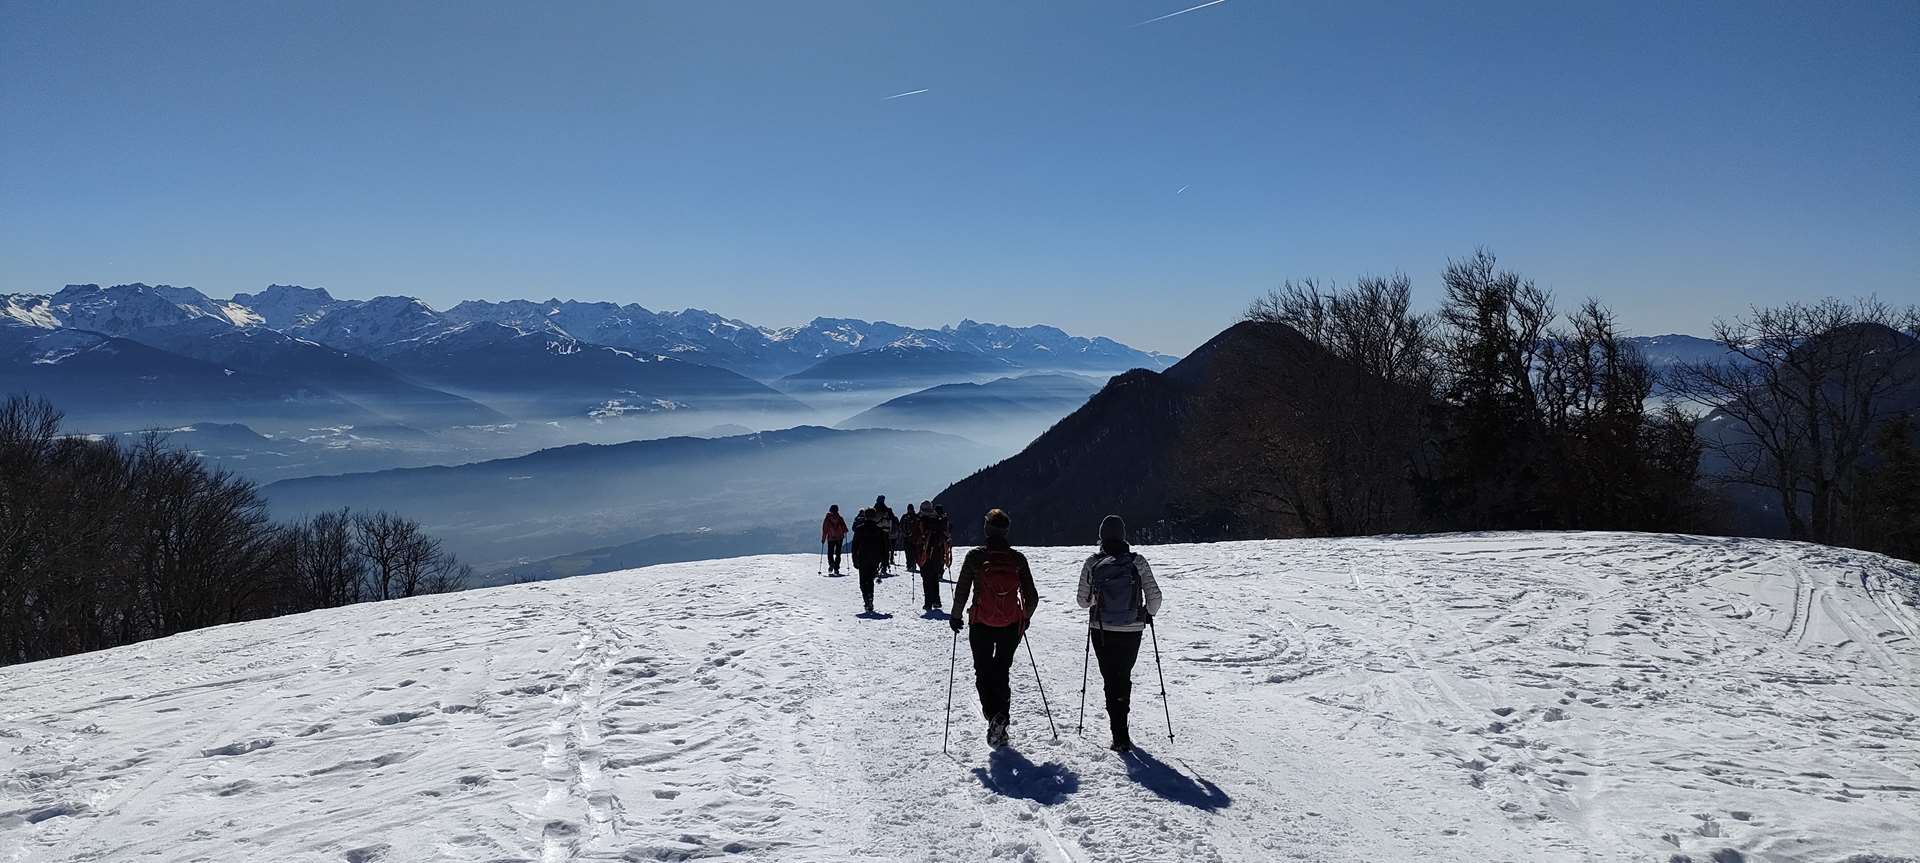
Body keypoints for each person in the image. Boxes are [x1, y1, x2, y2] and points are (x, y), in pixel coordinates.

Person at [948, 508, 1040, 747]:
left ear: (986, 529)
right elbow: (1032, 597)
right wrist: (1025, 618)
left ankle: (993, 716)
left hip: (981, 623)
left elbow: (962, 591)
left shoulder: (975, 557)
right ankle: (1002, 718)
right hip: (1010, 625)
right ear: (1006, 531)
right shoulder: (1018, 559)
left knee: (983, 670)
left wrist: (956, 616)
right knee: (1002, 671)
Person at [1076, 515, 1163, 752]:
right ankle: (1122, 729)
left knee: (1110, 678)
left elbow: (1082, 602)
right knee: (1123, 675)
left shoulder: (1093, 562)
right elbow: (1155, 597)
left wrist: (1097, 599)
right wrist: (1147, 614)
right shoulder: (1138, 562)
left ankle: (1118, 734)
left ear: (1102, 535)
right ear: (1123, 535)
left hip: (1102, 627)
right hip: (1131, 628)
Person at [850, 508, 888, 614]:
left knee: (863, 581)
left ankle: (867, 601)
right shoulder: (879, 530)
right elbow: (884, 546)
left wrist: (854, 559)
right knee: (870, 580)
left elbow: (855, 546)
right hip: (875, 559)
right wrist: (885, 560)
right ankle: (870, 598)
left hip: (863, 558)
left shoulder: (859, 529)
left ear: (865, 516)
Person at [919, 502, 949, 611]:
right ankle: (936, 600)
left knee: (926, 578)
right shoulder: (938, 520)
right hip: (937, 553)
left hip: (926, 553)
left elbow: (919, 538)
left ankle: (928, 603)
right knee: (934, 577)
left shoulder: (923, 521)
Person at [872, 495, 898, 575]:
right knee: (885, 549)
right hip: (885, 532)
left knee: (876, 549)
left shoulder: (874, 510)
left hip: (875, 532)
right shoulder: (888, 510)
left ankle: (875, 566)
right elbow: (894, 519)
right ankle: (884, 566)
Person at [820, 504, 848, 575]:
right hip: (839, 538)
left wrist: (823, 539)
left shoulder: (827, 519)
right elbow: (845, 529)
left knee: (830, 552)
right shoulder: (840, 518)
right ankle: (836, 568)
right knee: (838, 554)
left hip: (831, 538)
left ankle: (831, 563)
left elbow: (825, 530)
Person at [902, 503, 922, 574]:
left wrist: (904, 534)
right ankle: (913, 565)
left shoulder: (904, 517)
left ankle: (909, 565)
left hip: (906, 538)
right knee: (914, 552)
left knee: (908, 552)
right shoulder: (916, 517)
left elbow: (901, 527)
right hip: (915, 538)